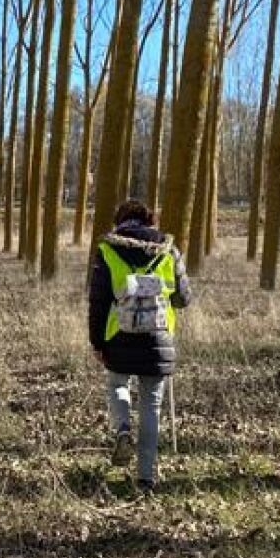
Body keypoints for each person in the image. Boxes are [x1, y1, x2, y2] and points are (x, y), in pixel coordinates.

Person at [88, 199, 193, 491]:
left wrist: (96, 341)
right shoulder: (168, 249)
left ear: (118, 221)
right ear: (149, 220)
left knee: (117, 384)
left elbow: (97, 302)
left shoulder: (108, 250)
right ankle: (146, 478)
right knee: (152, 404)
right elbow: (184, 298)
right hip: (158, 336)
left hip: (118, 334)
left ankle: (122, 428)